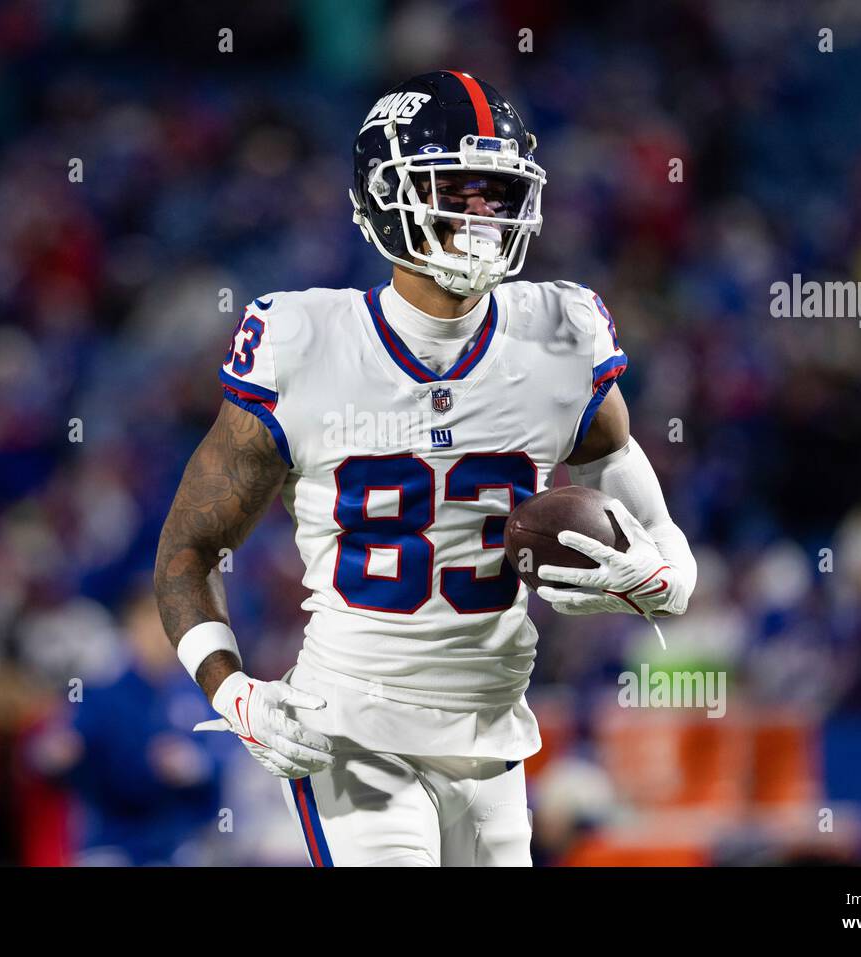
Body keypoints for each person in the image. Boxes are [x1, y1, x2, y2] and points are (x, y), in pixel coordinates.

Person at [154, 71, 696, 866]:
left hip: (494, 734)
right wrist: (232, 689)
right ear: (381, 195)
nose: (479, 212)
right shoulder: (302, 340)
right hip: (351, 730)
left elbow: (664, 540)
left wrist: (664, 576)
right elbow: (186, 553)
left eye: (497, 191)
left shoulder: (561, 333)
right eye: (457, 185)